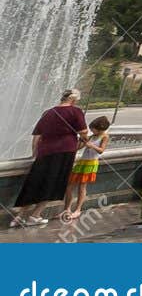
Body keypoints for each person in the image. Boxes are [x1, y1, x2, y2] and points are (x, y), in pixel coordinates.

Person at [11, 90, 89, 227]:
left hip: (44, 152)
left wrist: (34, 153)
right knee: (52, 184)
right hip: (64, 152)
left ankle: (18, 217)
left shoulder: (48, 112)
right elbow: (83, 132)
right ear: (74, 100)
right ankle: (35, 216)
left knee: (34, 183)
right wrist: (84, 143)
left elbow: (36, 135)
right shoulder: (75, 111)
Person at [62, 116, 111, 221]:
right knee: (70, 185)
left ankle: (78, 210)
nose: (91, 130)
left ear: (100, 129)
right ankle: (67, 209)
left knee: (82, 186)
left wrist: (91, 145)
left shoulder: (104, 137)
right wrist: (80, 141)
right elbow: (78, 147)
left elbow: (101, 150)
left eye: (93, 129)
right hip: (82, 162)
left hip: (91, 163)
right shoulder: (92, 136)